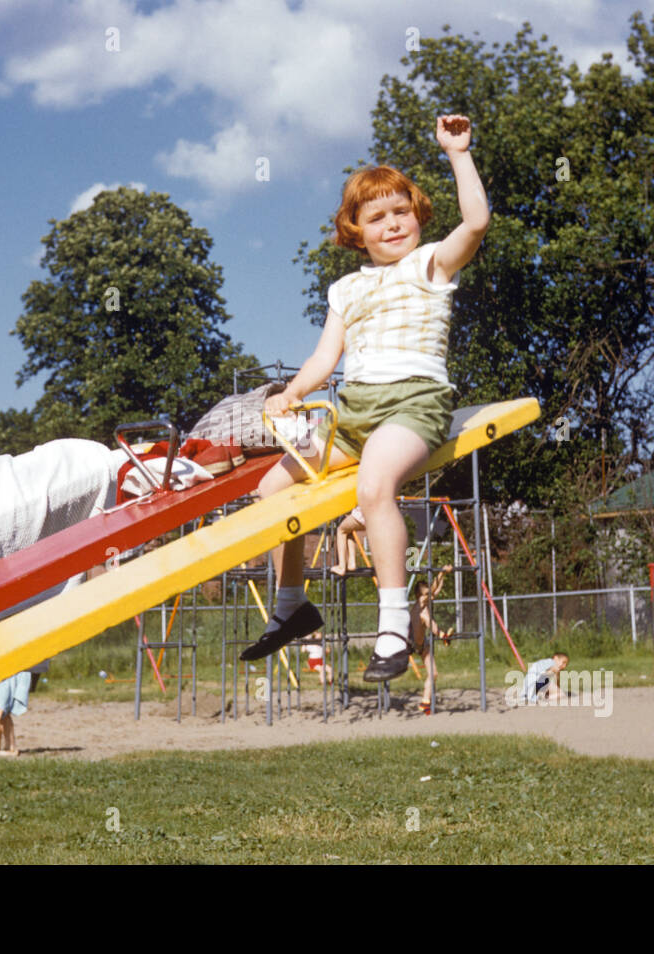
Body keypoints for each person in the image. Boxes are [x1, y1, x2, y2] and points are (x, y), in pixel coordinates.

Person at [239, 114, 490, 682]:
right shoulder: (346, 288)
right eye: (377, 217)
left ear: (418, 215)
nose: (393, 223)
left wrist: (458, 153)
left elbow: (475, 222)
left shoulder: (430, 265)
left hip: (413, 404)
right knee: (270, 490)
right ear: (355, 229)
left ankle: (395, 628)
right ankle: (292, 606)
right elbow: (325, 359)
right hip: (352, 411)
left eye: (402, 211)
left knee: (373, 487)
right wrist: (292, 393)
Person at [410, 566, 455, 712]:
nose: (429, 596)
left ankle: (425, 702)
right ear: (419, 596)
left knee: (433, 673)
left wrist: (443, 576)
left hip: (423, 644)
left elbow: (436, 589)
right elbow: (433, 589)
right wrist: (441, 572)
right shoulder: (418, 608)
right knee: (426, 617)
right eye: (426, 595)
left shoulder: (425, 603)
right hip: (410, 643)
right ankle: (442, 635)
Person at [331, 506, 366, 576]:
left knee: (341, 530)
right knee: (348, 529)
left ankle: (341, 567)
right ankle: (352, 562)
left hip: (363, 514)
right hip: (375, 515)